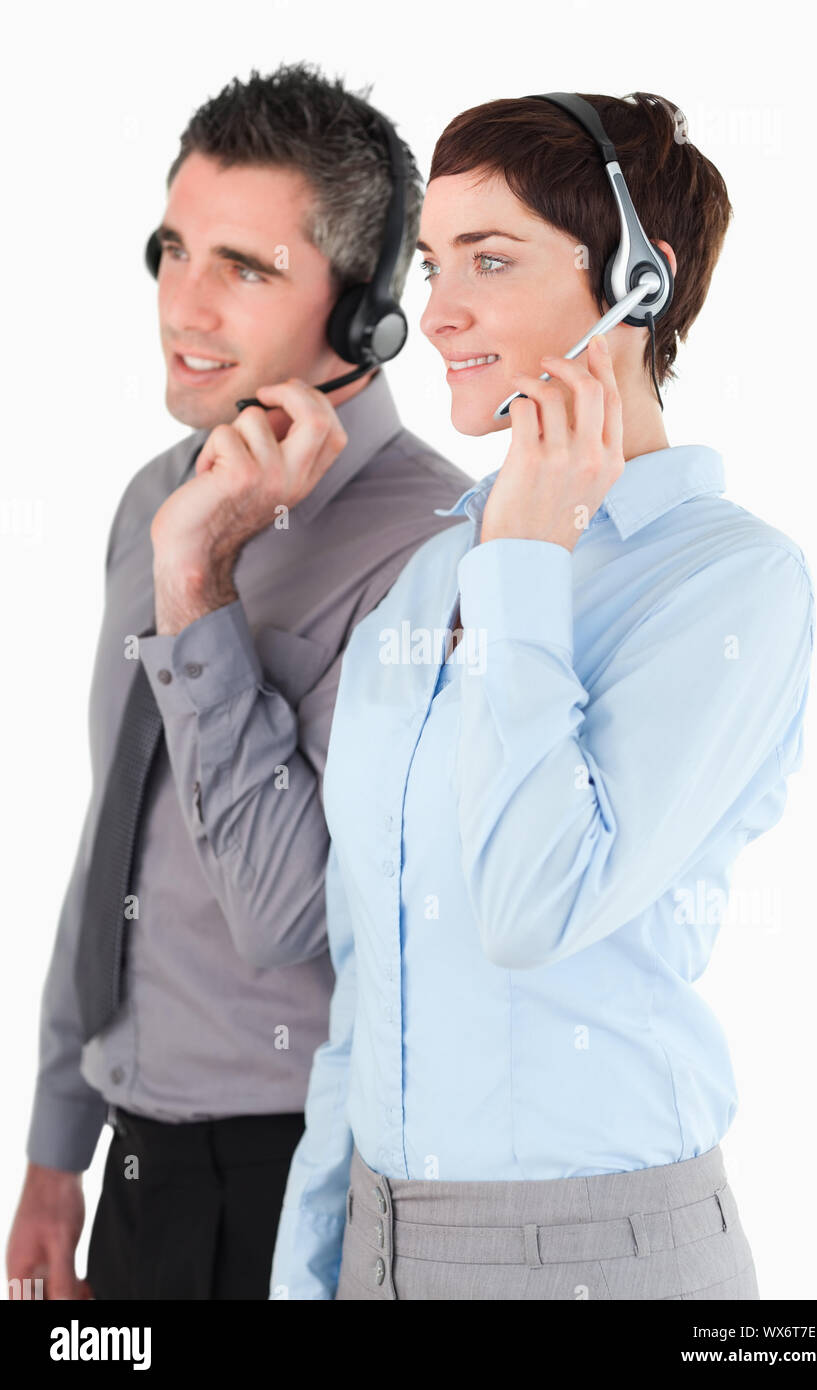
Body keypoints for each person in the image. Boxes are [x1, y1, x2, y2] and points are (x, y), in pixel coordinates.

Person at [269, 90, 815, 1301]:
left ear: (638, 277)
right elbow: (363, 984)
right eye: (429, 263)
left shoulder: (732, 586)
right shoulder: (419, 583)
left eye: (491, 259)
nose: (436, 311)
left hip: (595, 1259)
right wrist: (307, 1269)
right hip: (375, 1236)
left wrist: (522, 563)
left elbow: (531, 905)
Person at [6, 61, 470, 1301]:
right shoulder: (159, 498)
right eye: (174, 249)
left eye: (245, 268)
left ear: (368, 311)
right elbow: (114, 836)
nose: (182, 305)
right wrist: (59, 1148)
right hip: (137, 1176)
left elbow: (287, 920)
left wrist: (199, 582)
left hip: (308, 1182)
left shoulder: (433, 550)